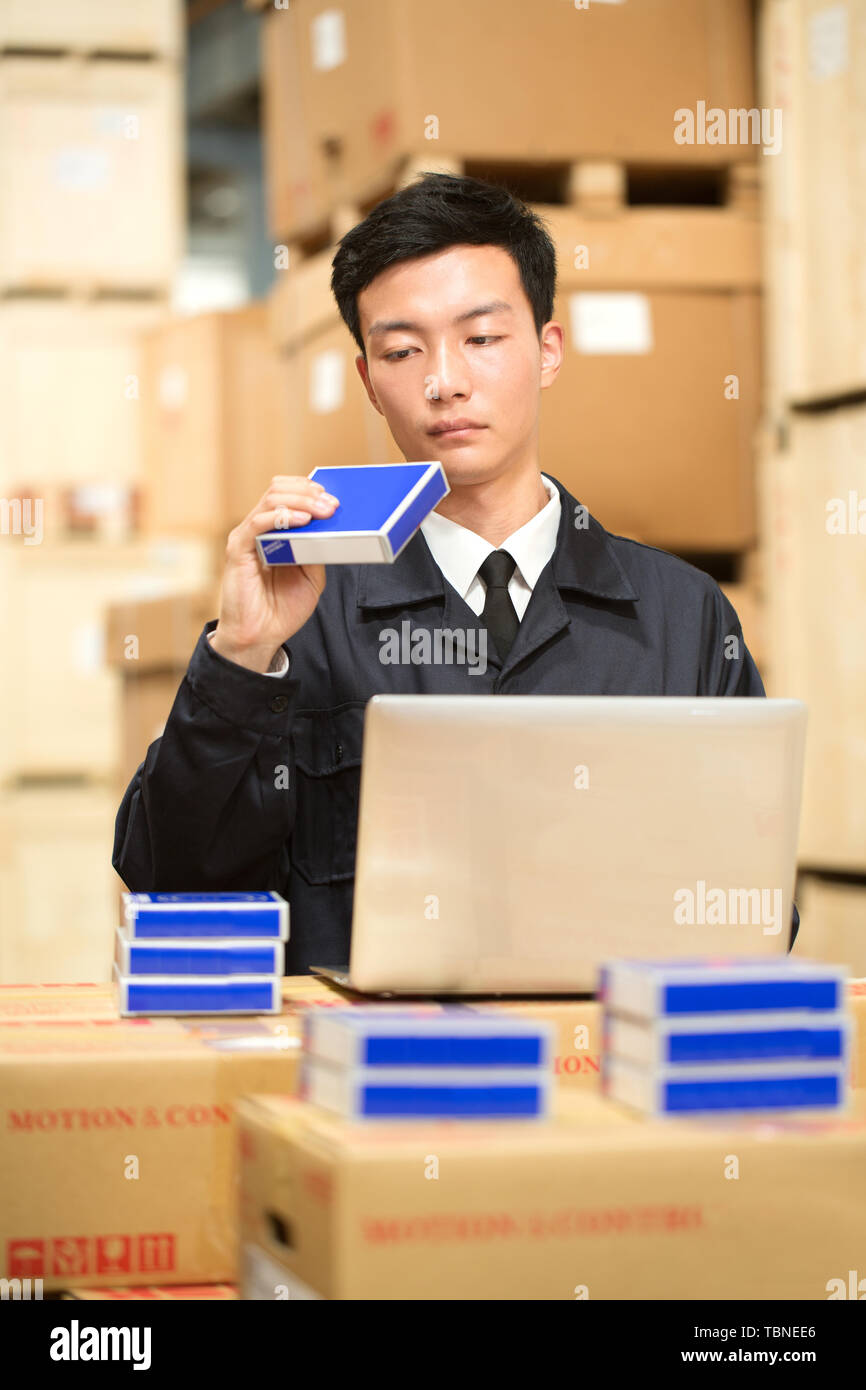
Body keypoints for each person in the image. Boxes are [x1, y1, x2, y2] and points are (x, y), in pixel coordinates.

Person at [113, 172, 799, 971]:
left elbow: (754, 909)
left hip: (599, 1075)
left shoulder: (682, 617)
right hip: (370, 1078)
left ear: (547, 351)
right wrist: (238, 658)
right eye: (403, 351)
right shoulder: (306, 614)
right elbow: (172, 880)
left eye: (481, 338)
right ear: (370, 382)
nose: (445, 381)